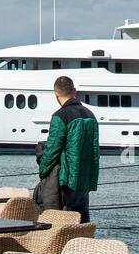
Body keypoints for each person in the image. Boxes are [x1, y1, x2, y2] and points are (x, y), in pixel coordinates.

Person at [37, 77, 99, 222]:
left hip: (66, 179)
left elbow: (53, 149)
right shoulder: (90, 115)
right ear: (74, 91)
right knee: (81, 220)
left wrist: (43, 170)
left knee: (64, 221)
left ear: (56, 94)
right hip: (85, 178)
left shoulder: (60, 116)